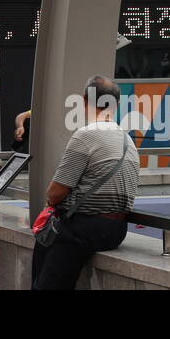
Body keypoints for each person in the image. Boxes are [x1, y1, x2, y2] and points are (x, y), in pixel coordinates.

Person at [31, 75, 139, 291]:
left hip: (84, 229)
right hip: (116, 230)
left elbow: (55, 193)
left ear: (84, 101)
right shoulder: (128, 139)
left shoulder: (85, 135)